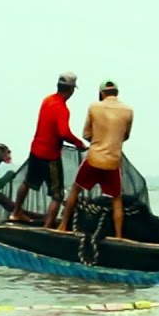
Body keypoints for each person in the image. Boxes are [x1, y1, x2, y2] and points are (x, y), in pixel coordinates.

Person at [9, 72, 87, 228]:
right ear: (71, 90)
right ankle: (47, 227)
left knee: (27, 182)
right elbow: (63, 132)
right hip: (50, 156)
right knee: (57, 195)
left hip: (36, 150)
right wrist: (78, 143)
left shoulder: (47, 100)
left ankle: (16, 212)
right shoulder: (62, 108)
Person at [57, 80, 133, 238]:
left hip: (94, 159)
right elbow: (125, 136)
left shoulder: (94, 107)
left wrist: (98, 139)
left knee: (75, 189)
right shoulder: (128, 110)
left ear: (102, 93)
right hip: (113, 161)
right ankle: (119, 236)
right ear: (116, 93)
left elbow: (86, 134)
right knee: (116, 199)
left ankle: (63, 226)